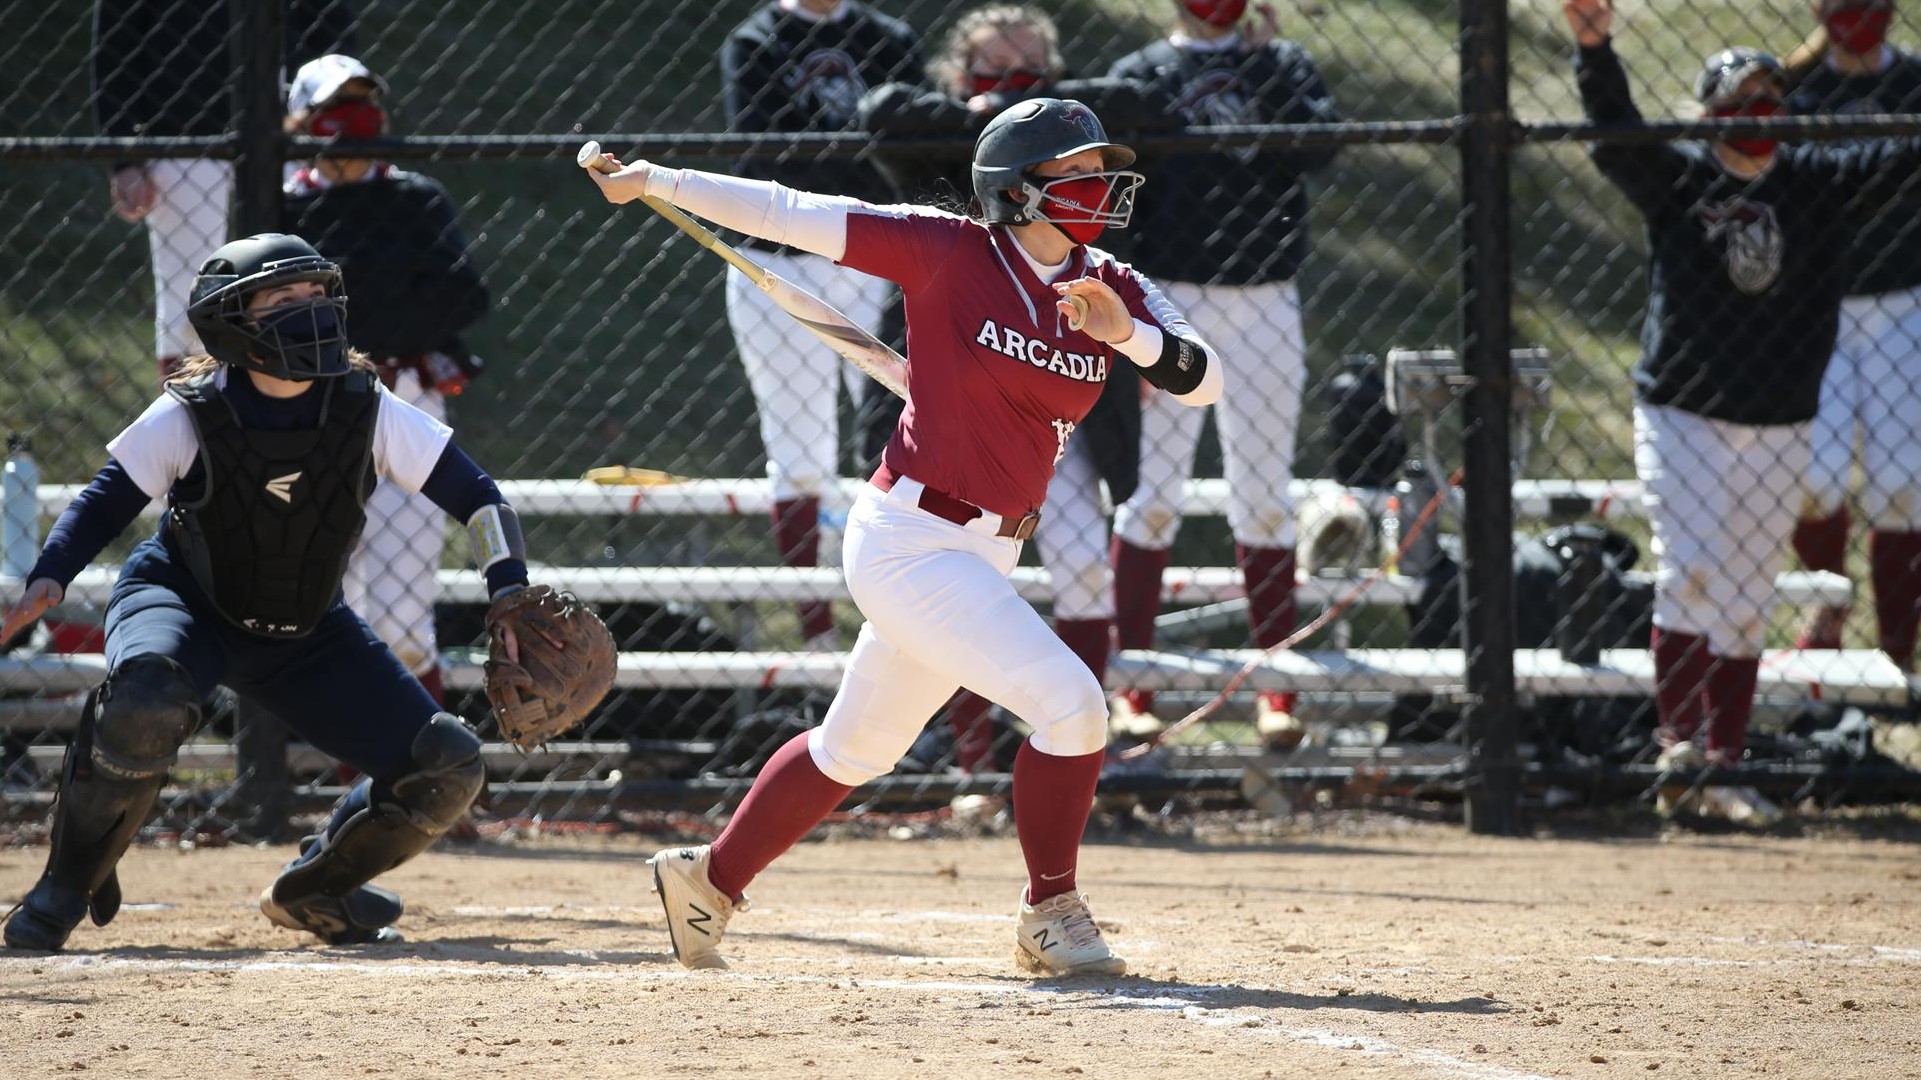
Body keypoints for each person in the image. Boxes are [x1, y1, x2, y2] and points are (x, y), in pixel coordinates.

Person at [588, 97, 1222, 974]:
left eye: (1098, 171)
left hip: (989, 550)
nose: (1097, 186)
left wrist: (1132, 340)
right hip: (909, 539)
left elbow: (1205, 380)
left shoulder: (1113, 283)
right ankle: (1050, 908)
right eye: (1073, 173)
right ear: (1017, 189)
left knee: (854, 749)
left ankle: (707, 880)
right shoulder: (947, 248)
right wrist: (656, 180)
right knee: (1072, 706)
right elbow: (786, 212)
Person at [0, 234, 536, 950]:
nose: (309, 310)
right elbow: (104, 501)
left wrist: (509, 592)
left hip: (307, 630)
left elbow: (479, 498)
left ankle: (315, 890)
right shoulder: (194, 411)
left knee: (447, 766)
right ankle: (65, 885)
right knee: (146, 699)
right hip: (186, 602)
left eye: (317, 295)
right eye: (283, 298)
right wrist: (48, 577)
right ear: (232, 322)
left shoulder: (365, 408)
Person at [1564, 0, 1921, 822]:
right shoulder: (1682, 179)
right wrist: (1593, 50)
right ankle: (1677, 747)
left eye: (1770, 98)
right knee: (1689, 571)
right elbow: (1614, 131)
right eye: (1739, 101)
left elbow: (1902, 159)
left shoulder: (1816, 185)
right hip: (1682, 412)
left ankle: (1722, 766)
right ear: (1709, 115)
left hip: (1779, 418)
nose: (1757, 115)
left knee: (1746, 596)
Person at [858, 3, 1180, 771]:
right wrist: (993, 116)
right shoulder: (942, 147)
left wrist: (1037, 114)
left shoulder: (1072, 164)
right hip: (952, 414)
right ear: (961, 82)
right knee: (957, 600)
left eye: (1028, 77)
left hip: (1056, 416)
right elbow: (882, 115)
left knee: (1076, 564)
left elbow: (1147, 108)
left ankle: (1080, 740)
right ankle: (973, 758)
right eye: (991, 75)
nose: (1009, 90)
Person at [1104, 0, 1340, 748]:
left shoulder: (1282, 63)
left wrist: (1261, 61)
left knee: (1264, 494)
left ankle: (1274, 686)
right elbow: (1116, 202)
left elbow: (1316, 148)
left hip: (1267, 294)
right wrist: (1132, 329)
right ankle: (1131, 686)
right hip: (1172, 293)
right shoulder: (1141, 74)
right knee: (1151, 493)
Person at [282, 54, 492, 703]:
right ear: (305, 123)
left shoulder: (413, 195)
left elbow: (463, 297)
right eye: (336, 108)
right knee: (314, 602)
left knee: (402, 617)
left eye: (364, 105)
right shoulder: (281, 204)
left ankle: (418, 778)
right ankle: (336, 768)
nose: (355, 121)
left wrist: (362, 322)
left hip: (405, 400)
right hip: (308, 413)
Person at [722, 0, 924, 651]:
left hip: (869, 255)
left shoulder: (886, 38)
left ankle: (896, 613)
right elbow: (761, 153)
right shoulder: (755, 41)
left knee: (899, 429)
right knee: (799, 447)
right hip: (776, 260)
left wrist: (851, 178)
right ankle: (814, 632)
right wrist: (851, 171)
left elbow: (907, 145)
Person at [94, 0, 359, 381]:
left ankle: (299, 406)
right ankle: (190, 420)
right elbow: (116, 41)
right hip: (181, 125)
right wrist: (122, 153)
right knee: (189, 292)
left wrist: (326, 113)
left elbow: (332, 25)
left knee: (299, 277)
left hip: (287, 126)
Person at [1780, 0, 1921, 673]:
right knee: (1815, 474)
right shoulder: (1794, 91)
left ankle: (1897, 651)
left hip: (1903, 302)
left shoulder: (1912, 85)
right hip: (1820, 307)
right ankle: (1828, 611)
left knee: (1899, 483)